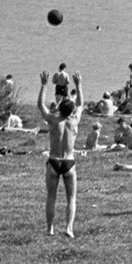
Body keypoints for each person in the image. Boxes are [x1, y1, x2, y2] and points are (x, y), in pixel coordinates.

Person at [38, 69, 83, 237]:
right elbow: (80, 104)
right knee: (71, 198)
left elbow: (40, 106)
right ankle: (69, 228)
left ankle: (50, 228)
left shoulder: (53, 119)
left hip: (54, 161)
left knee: (51, 197)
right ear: (70, 110)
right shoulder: (74, 120)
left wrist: (43, 85)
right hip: (69, 162)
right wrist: (79, 85)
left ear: (59, 108)